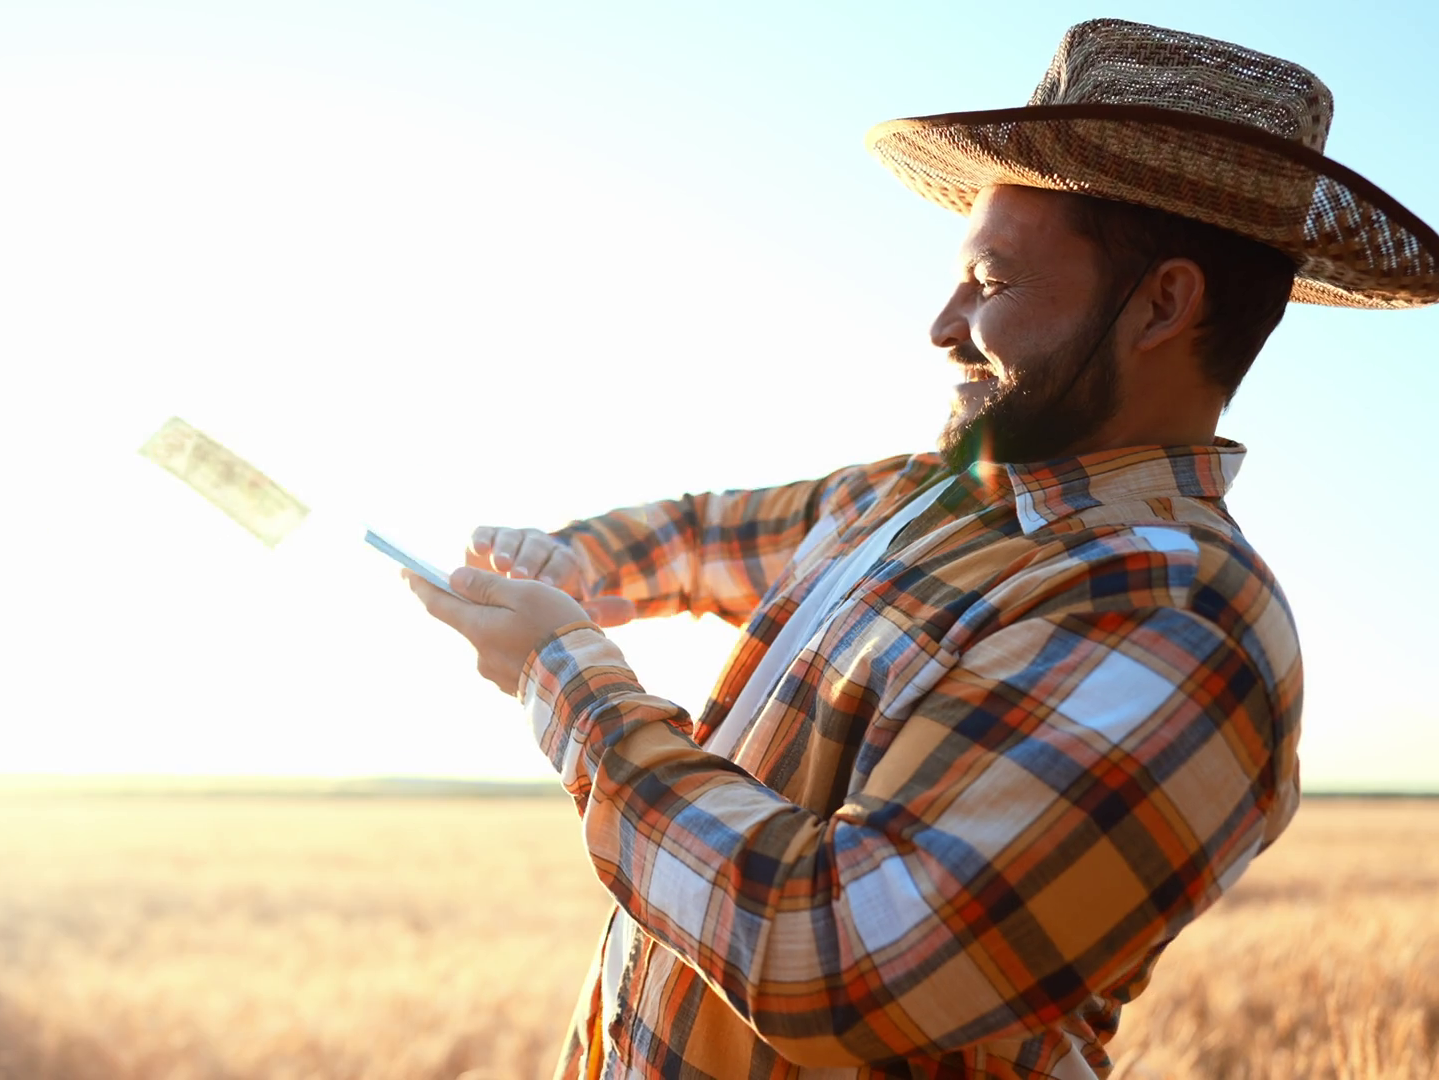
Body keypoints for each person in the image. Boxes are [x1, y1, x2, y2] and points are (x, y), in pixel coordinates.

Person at [403, 18, 1438, 1080]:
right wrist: (567, 563)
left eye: (991, 284)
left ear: (1162, 306)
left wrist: (563, 681)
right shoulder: (937, 493)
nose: (942, 324)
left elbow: (834, 961)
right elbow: (711, 534)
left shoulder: (1177, 619)